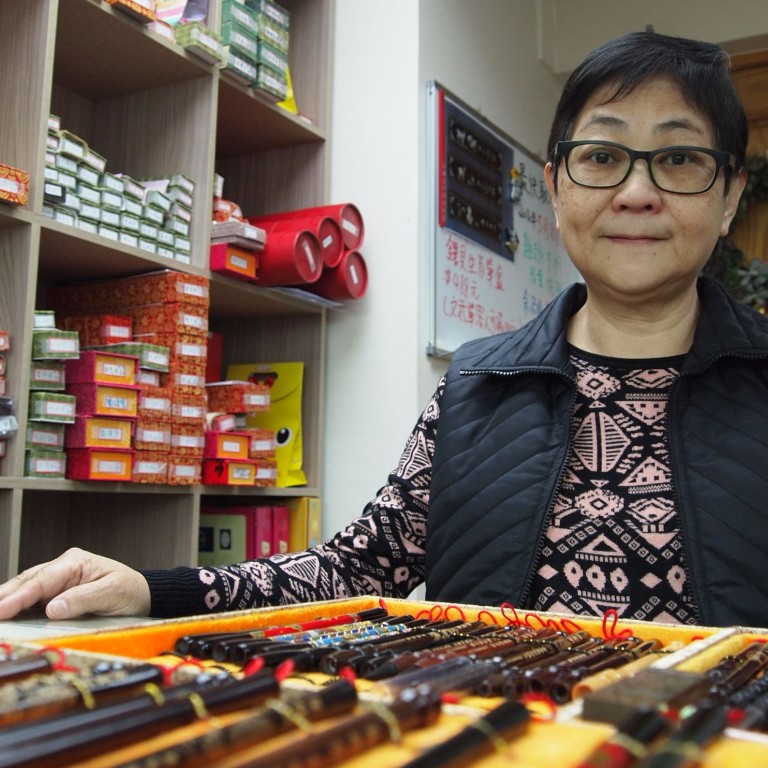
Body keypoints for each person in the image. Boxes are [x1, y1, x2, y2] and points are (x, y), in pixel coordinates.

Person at [1, 31, 765, 629]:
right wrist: (153, 588)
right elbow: (357, 570)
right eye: (602, 156)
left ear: (729, 195)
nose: (637, 192)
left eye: (679, 158)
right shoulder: (476, 385)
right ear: (557, 188)